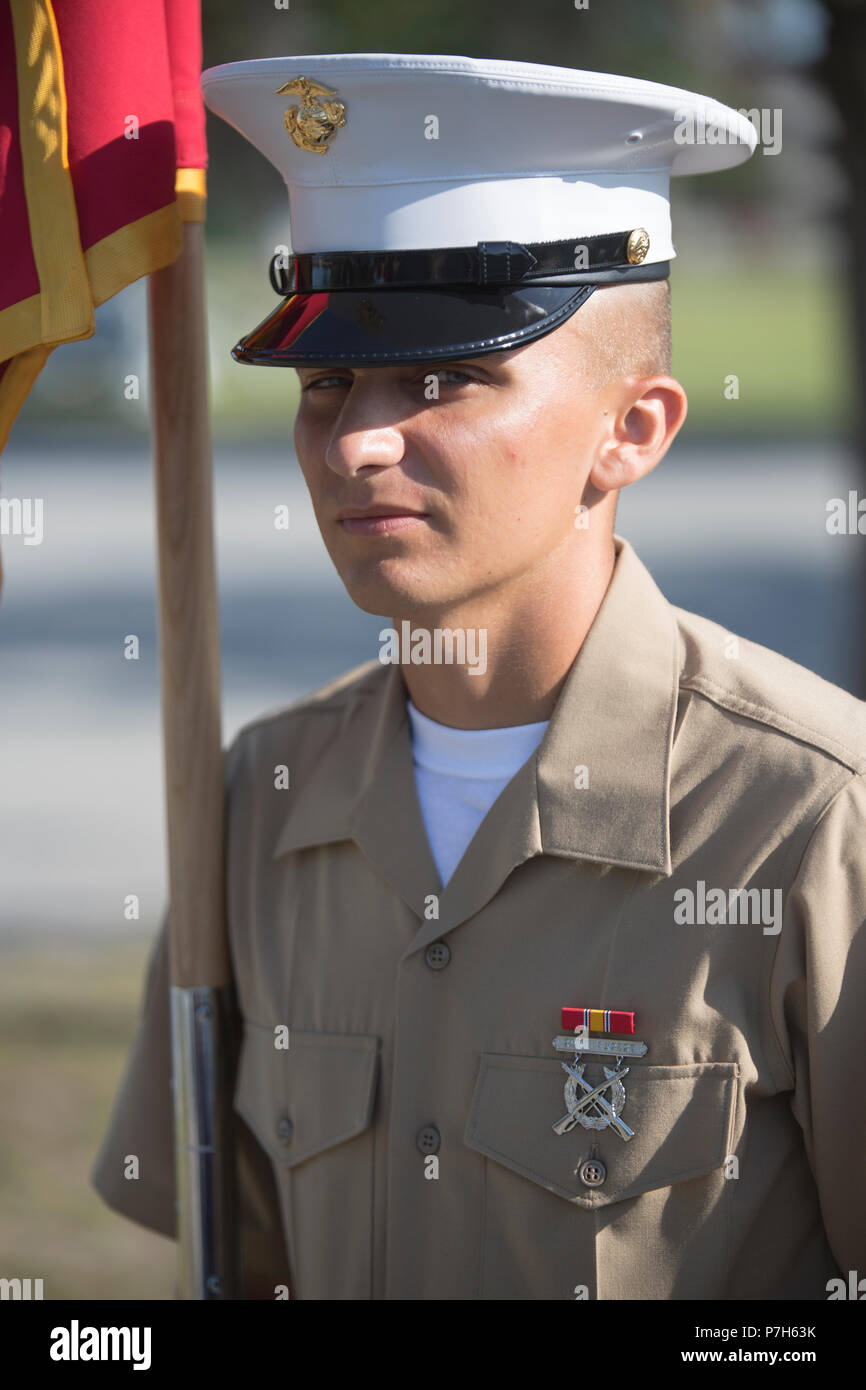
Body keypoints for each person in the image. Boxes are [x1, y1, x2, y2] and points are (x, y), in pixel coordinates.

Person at [91, 53, 866, 1300]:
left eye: (441, 379)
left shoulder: (812, 816)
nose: (354, 438)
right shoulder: (259, 798)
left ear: (632, 431)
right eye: (327, 379)